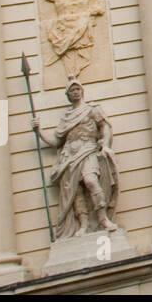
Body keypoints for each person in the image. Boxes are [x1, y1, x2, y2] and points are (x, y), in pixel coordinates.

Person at [32, 79, 121, 239]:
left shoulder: (91, 109)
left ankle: (103, 219)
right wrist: (39, 131)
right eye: (71, 90)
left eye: (77, 89)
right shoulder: (67, 118)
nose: (75, 92)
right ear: (68, 95)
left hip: (88, 150)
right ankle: (83, 224)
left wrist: (106, 145)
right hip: (70, 157)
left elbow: (104, 127)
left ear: (82, 91)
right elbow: (56, 141)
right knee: (76, 191)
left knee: (91, 181)